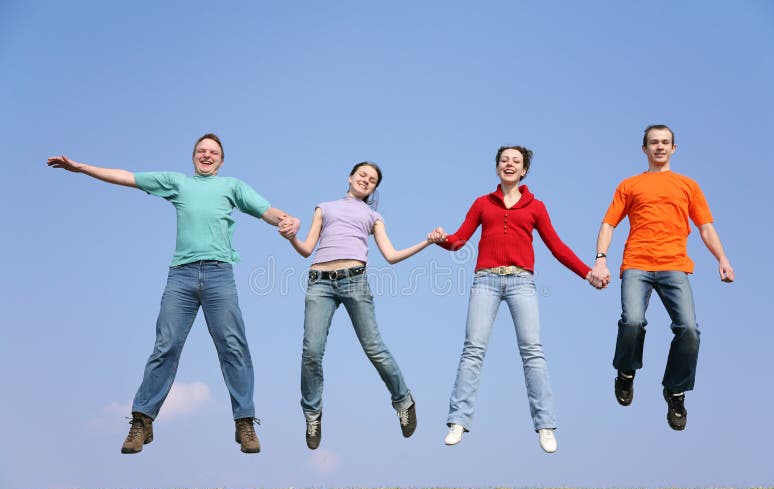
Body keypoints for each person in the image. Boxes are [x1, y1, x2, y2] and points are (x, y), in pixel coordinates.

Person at [47, 133, 300, 454]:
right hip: (181, 277)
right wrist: (82, 168)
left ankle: (245, 421)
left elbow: (268, 211)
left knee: (233, 346)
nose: (206, 155)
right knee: (165, 346)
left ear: (221, 161)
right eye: (201, 151)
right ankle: (142, 421)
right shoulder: (178, 183)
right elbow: (127, 177)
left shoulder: (232, 187)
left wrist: (289, 219)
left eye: (213, 153)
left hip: (219, 275)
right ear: (194, 157)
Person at [431, 146, 602, 453]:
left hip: (522, 281)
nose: (509, 164)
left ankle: (546, 425)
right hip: (486, 280)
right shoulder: (482, 203)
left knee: (532, 351)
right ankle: (458, 421)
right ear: (497, 167)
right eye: (504, 160)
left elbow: (557, 246)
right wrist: (441, 240)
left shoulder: (536, 207)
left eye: (516, 161)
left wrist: (587, 273)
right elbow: (459, 241)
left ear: (524, 171)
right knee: (473, 349)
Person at [588, 124, 735, 431]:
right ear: (644, 149)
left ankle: (675, 391)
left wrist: (722, 259)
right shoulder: (629, 185)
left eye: (665, 142)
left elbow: (705, 227)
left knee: (690, 330)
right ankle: (625, 374)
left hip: (674, 266)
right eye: (653, 142)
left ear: (673, 148)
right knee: (632, 322)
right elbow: (608, 224)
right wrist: (601, 260)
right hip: (636, 265)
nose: (659, 146)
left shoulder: (688, 186)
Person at [286, 161, 438, 450]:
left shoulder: (373, 216)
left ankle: (403, 400)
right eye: (362, 175)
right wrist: (292, 236)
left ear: (374, 188)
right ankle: (312, 414)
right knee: (311, 351)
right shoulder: (324, 208)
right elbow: (307, 249)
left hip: (355, 281)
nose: (366, 180)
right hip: (320, 282)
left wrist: (427, 243)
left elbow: (391, 255)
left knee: (374, 348)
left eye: (372, 180)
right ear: (350, 176)